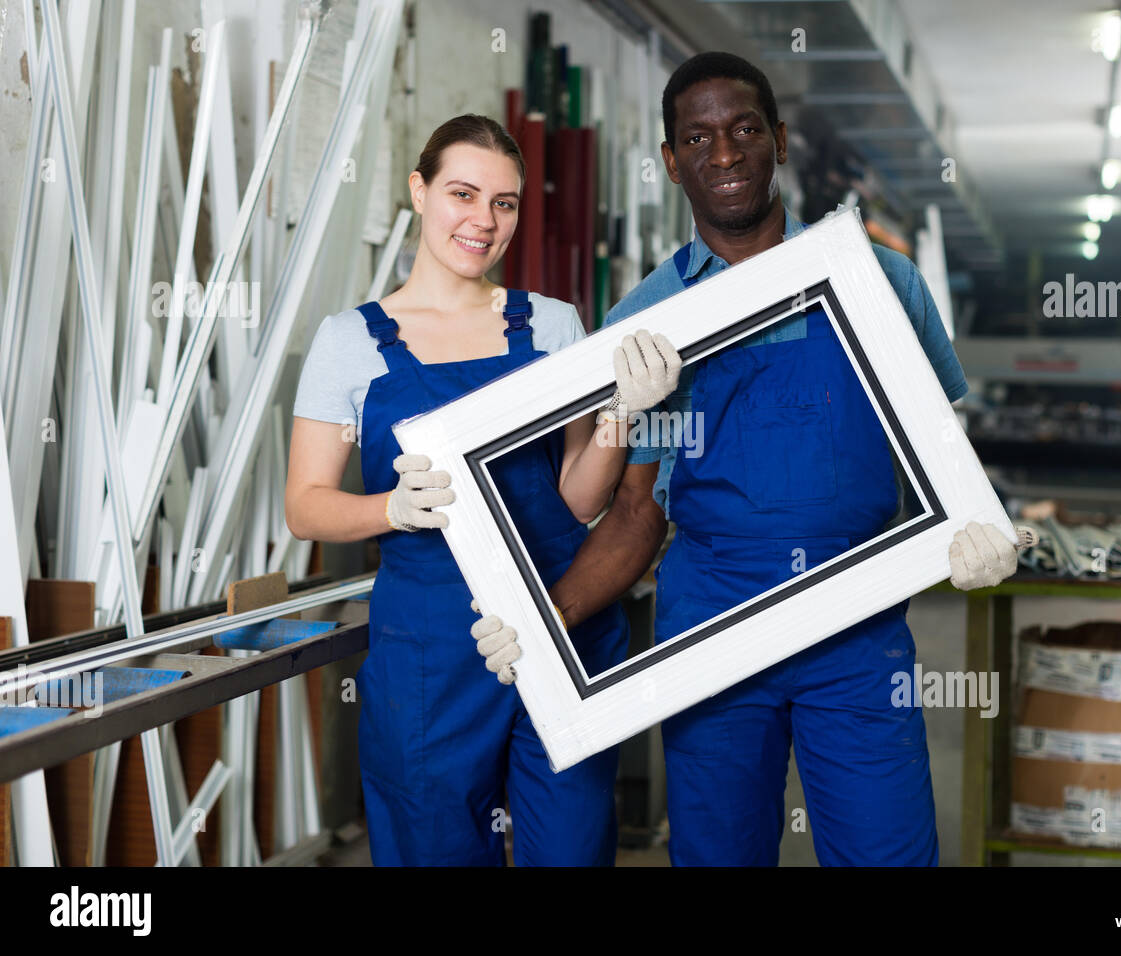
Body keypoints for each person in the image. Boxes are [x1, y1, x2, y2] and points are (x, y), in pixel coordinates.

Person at [472, 53, 1024, 866]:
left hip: (856, 621)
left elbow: (942, 455)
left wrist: (980, 530)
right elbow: (634, 512)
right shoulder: (651, 320)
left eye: (744, 130)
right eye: (697, 137)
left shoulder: (876, 282)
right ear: (670, 162)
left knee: (889, 853)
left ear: (781, 140)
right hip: (713, 633)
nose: (724, 154)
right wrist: (542, 623)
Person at [284, 114, 678, 866]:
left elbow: (577, 499)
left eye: (505, 202)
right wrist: (390, 510)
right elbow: (304, 504)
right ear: (419, 190)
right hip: (430, 647)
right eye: (462, 194)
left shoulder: (553, 326)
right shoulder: (350, 342)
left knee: (569, 848)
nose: (483, 221)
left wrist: (624, 412)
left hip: (560, 621)